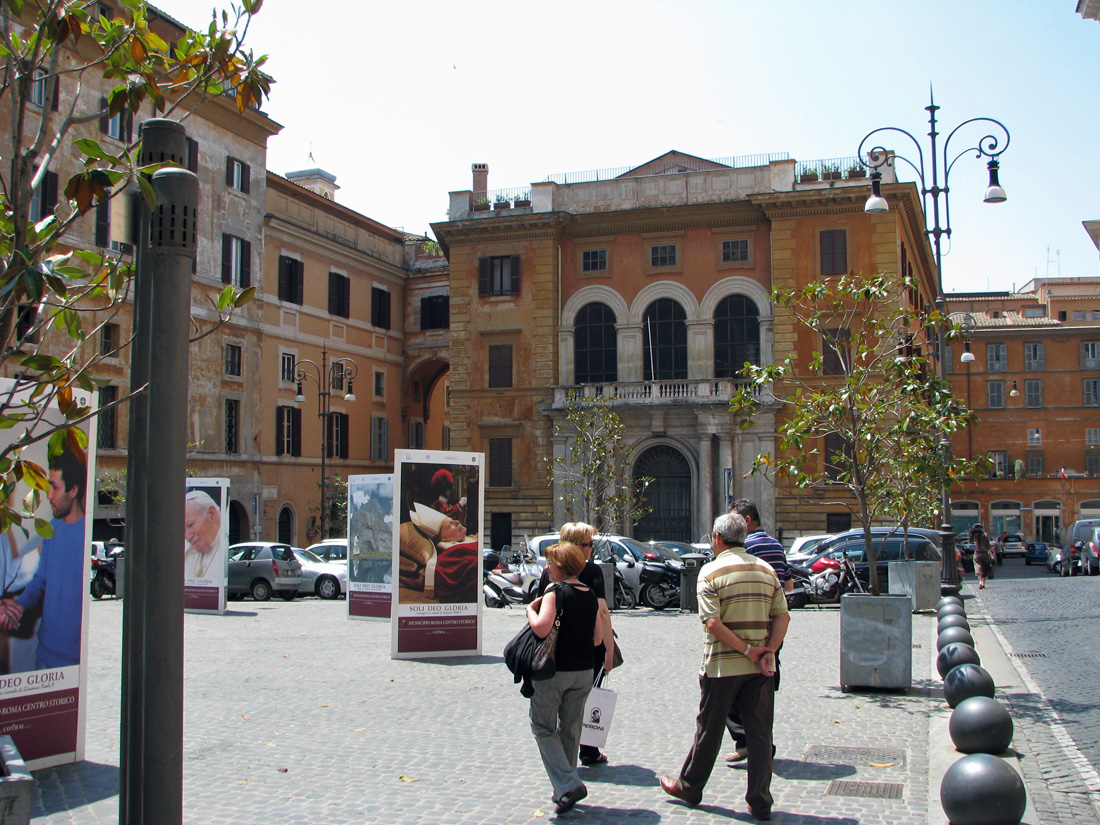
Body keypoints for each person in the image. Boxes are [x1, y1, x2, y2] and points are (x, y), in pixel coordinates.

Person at [660, 512, 789, 820]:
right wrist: (768, 650)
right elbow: (782, 616)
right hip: (760, 669)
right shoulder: (766, 570)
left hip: (722, 667)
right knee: (760, 734)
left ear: (716, 538)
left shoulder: (710, 573)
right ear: (743, 537)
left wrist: (747, 650)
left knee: (709, 728)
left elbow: (713, 623)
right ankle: (760, 802)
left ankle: (690, 786)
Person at [526, 541, 602, 815]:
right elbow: (597, 638)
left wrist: (530, 612)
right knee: (570, 729)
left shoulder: (555, 592)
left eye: (550, 563)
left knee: (543, 727)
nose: (546, 567)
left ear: (561, 567)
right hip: (583, 672)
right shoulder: (590, 594)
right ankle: (565, 788)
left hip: (554, 670)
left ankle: (569, 784)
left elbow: (542, 628)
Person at [535, 522, 616, 766]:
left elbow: (540, 610)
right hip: (587, 649)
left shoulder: (548, 572)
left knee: (551, 713)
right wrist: (609, 651)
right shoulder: (591, 572)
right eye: (589, 544)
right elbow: (602, 613)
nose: (592, 548)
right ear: (578, 546)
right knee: (581, 705)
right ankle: (587, 751)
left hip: (553, 649)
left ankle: (564, 768)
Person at [0, 448, 87, 670]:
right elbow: (39, 581)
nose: (48, 495)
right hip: (45, 654)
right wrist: (18, 605)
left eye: (54, 486)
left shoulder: (86, 535)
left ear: (73, 489)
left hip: (73, 661)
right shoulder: (52, 529)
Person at [726, 499, 788, 764]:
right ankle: (761, 739)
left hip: (745, 629)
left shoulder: (744, 549)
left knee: (730, 688)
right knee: (763, 686)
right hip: (773, 630)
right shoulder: (777, 546)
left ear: (747, 521)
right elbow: (788, 585)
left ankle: (747, 740)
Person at [184, 490, 226, 580]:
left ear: (212, 514)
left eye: (191, 525)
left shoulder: (227, 546)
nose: (187, 537)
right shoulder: (185, 551)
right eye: (183, 530)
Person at [972, 524, 993, 589]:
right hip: (985, 553)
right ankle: (983, 582)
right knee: (985, 568)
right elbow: (988, 545)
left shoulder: (974, 536)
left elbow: (971, 543)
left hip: (977, 553)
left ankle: (980, 582)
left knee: (978, 568)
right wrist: (991, 552)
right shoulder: (985, 536)